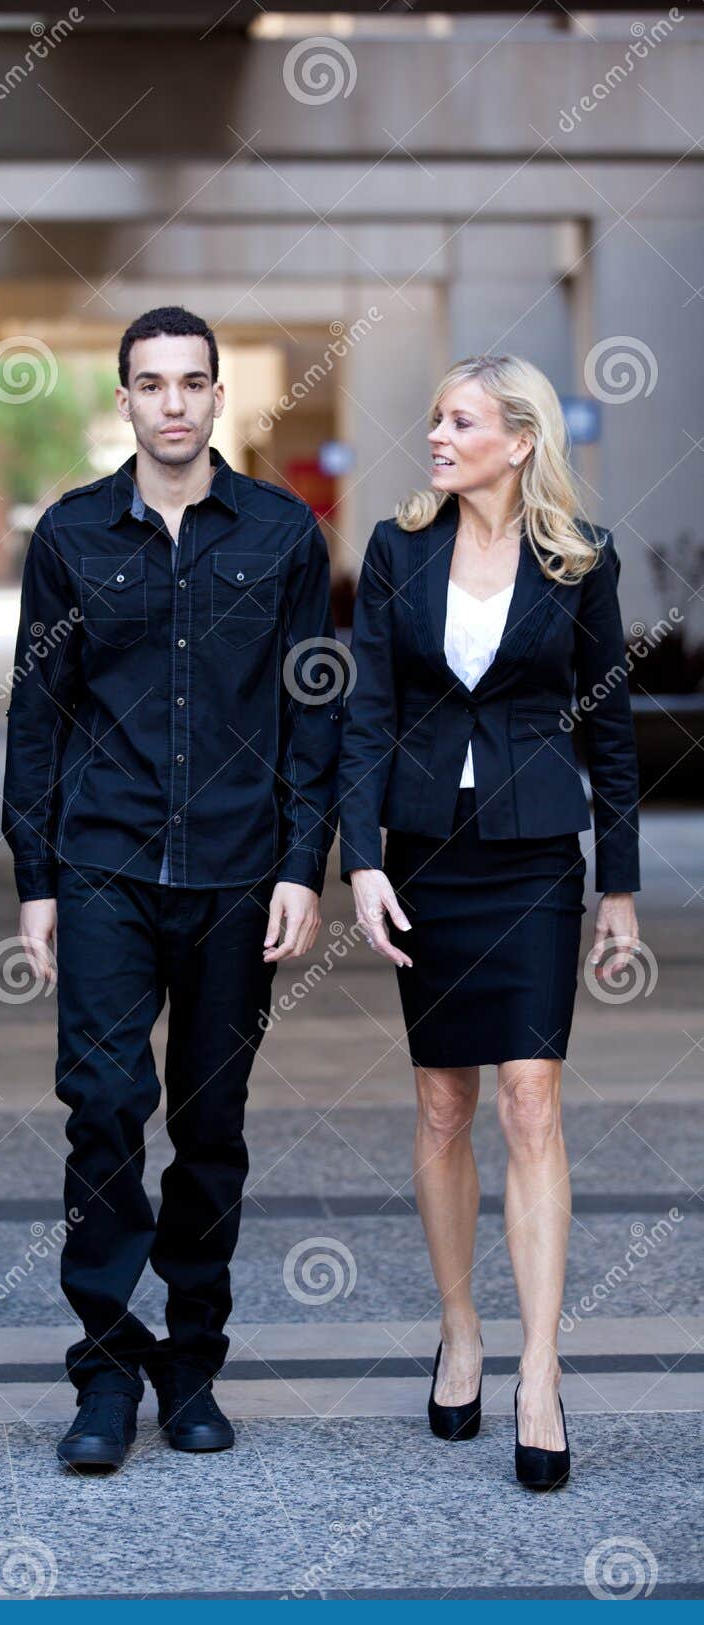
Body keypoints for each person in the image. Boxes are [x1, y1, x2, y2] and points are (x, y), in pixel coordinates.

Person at [2, 305, 340, 1470]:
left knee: (211, 1127)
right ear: (125, 398)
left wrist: (305, 863)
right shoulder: (70, 535)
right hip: (103, 866)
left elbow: (316, 708)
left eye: (193, 383)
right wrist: (34, 878)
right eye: (152, 384)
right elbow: (36, 715)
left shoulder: (285, 534)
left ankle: (191, 1367)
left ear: (213, 397)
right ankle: (103, 1374)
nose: (175, 403)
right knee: (101, 1112)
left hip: (240, 872)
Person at [339, 353, 641, 1491]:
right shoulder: (394, 551)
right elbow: (366, 711)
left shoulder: (579, 560)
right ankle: (460, 1328)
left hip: (529, 858)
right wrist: (357, 860)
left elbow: (608, 734)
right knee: (439, 1096)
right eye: (430, 419)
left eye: (456, 420)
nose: (434, 435)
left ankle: (539, 1369)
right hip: (424, 850)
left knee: (528, 1094)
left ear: (517, 440)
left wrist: (615, 885)